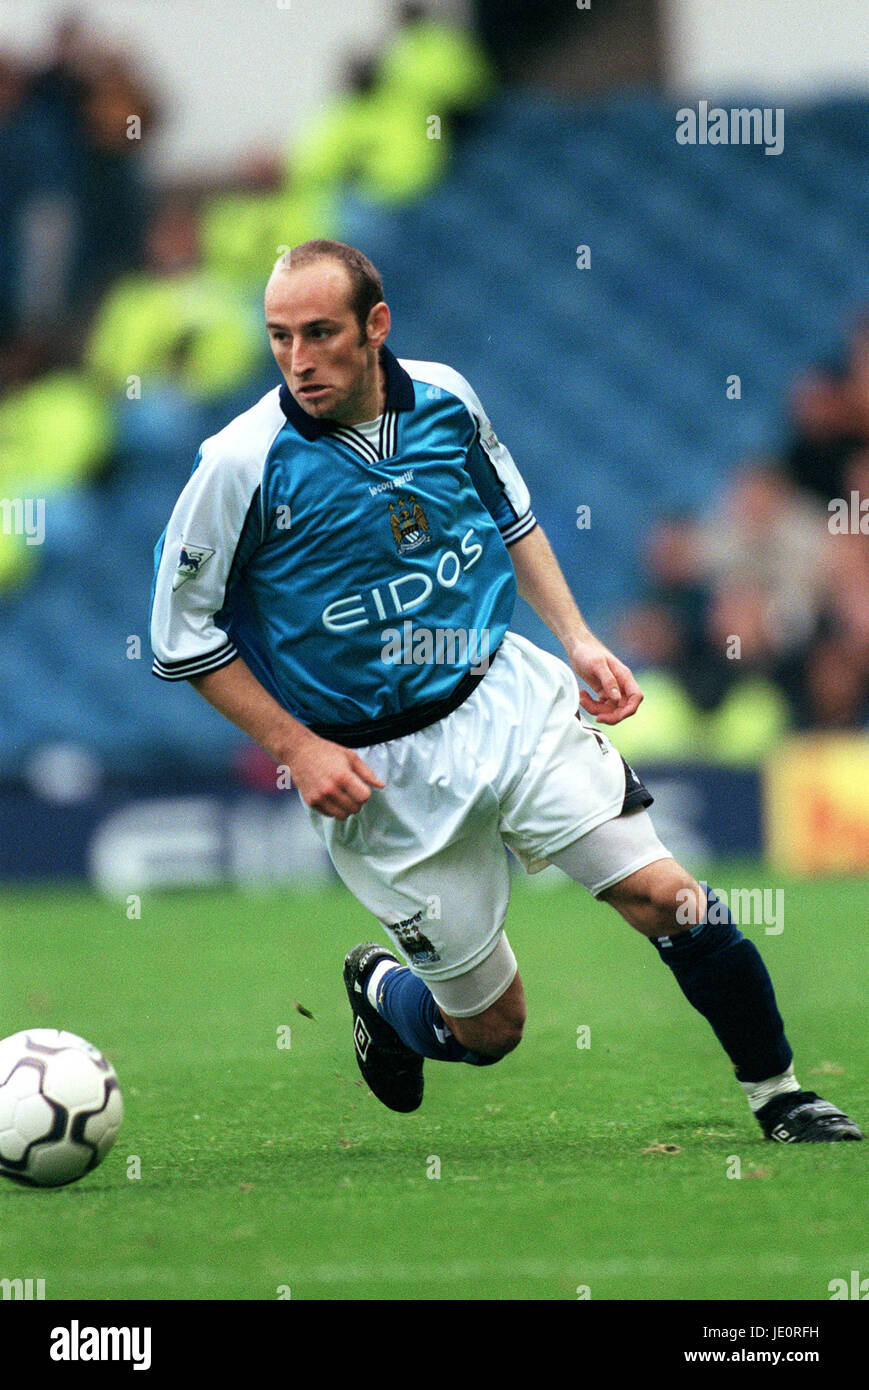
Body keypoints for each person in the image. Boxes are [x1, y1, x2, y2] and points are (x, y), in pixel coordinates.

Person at [149, 240, 862, 1144]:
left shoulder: (446, 398)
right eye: (280, 337)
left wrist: (578, 639)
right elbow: (180, 636)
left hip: (505, 702)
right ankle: (384, 992)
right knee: (491, 1030)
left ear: (375, 327)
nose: (298, 360)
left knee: (668, 897)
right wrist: (295, 746)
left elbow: (511, 517)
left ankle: (780, 1095)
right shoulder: (239, 464)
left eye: (320, 333)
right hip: (377, 770)